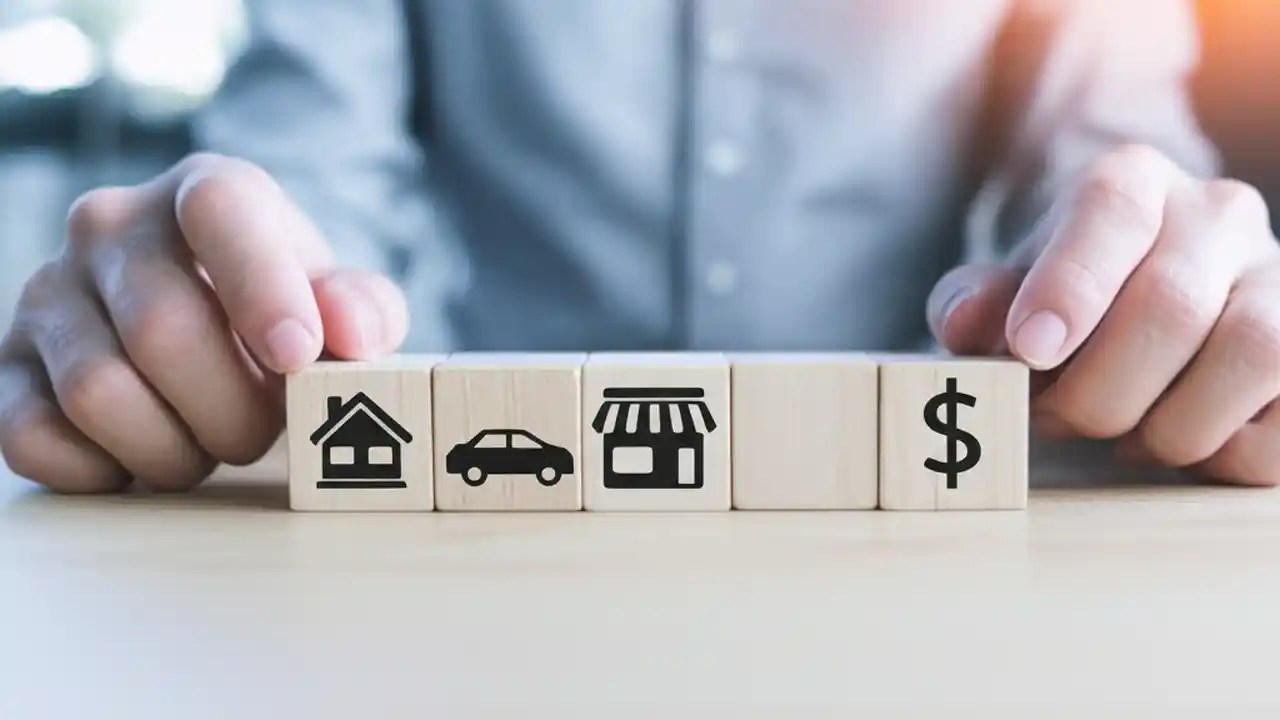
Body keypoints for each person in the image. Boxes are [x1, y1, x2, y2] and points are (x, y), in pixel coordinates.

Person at [2, 0, 1278, 492]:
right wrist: (209, 289)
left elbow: (1113, 158)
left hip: (922, 531)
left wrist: (1183, 284)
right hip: (477, 549)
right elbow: (305, 183)